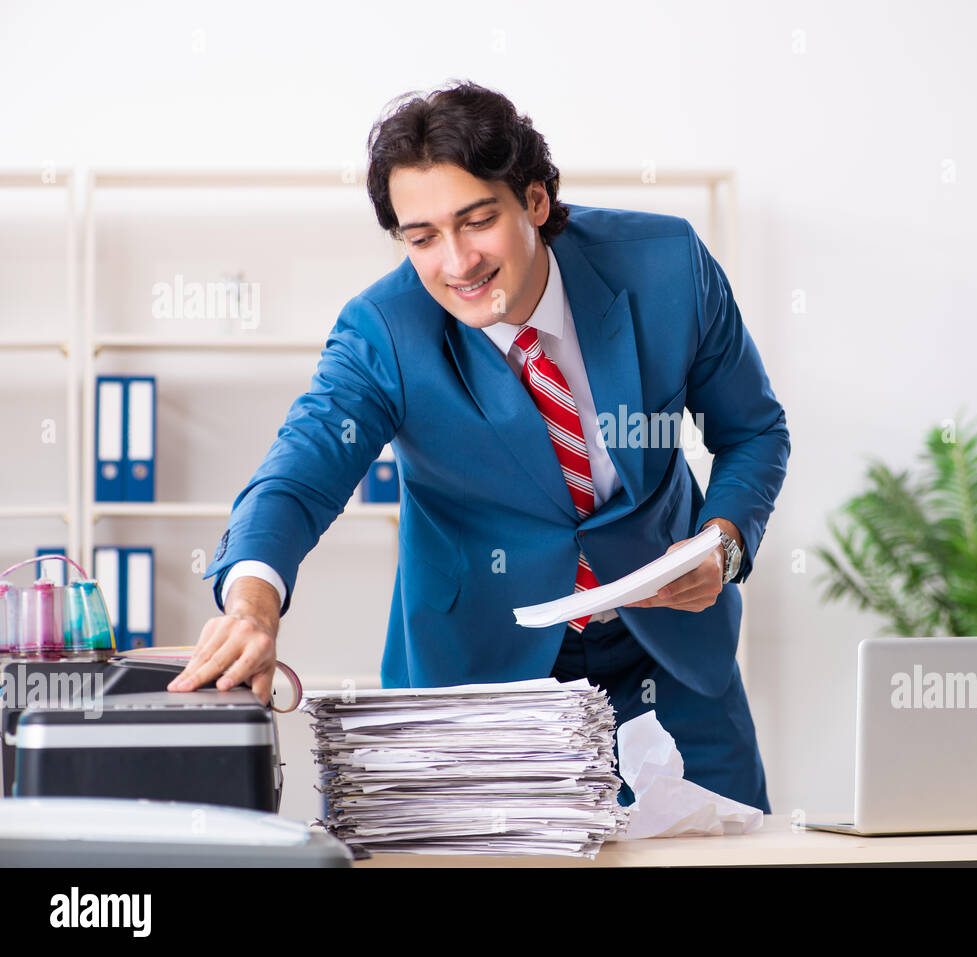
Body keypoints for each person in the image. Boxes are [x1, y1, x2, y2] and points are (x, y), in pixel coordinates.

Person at [167, 80, 789, 812]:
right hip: (482, 673)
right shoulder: (384, 332)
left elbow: (752, 430)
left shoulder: (665, 267)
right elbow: (297, 479)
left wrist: (723, 544)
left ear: (534, 200)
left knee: (730, 854)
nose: (457, 261)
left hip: (672, 649)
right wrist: (252, 606)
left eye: (476, 220)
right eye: (422, 236)